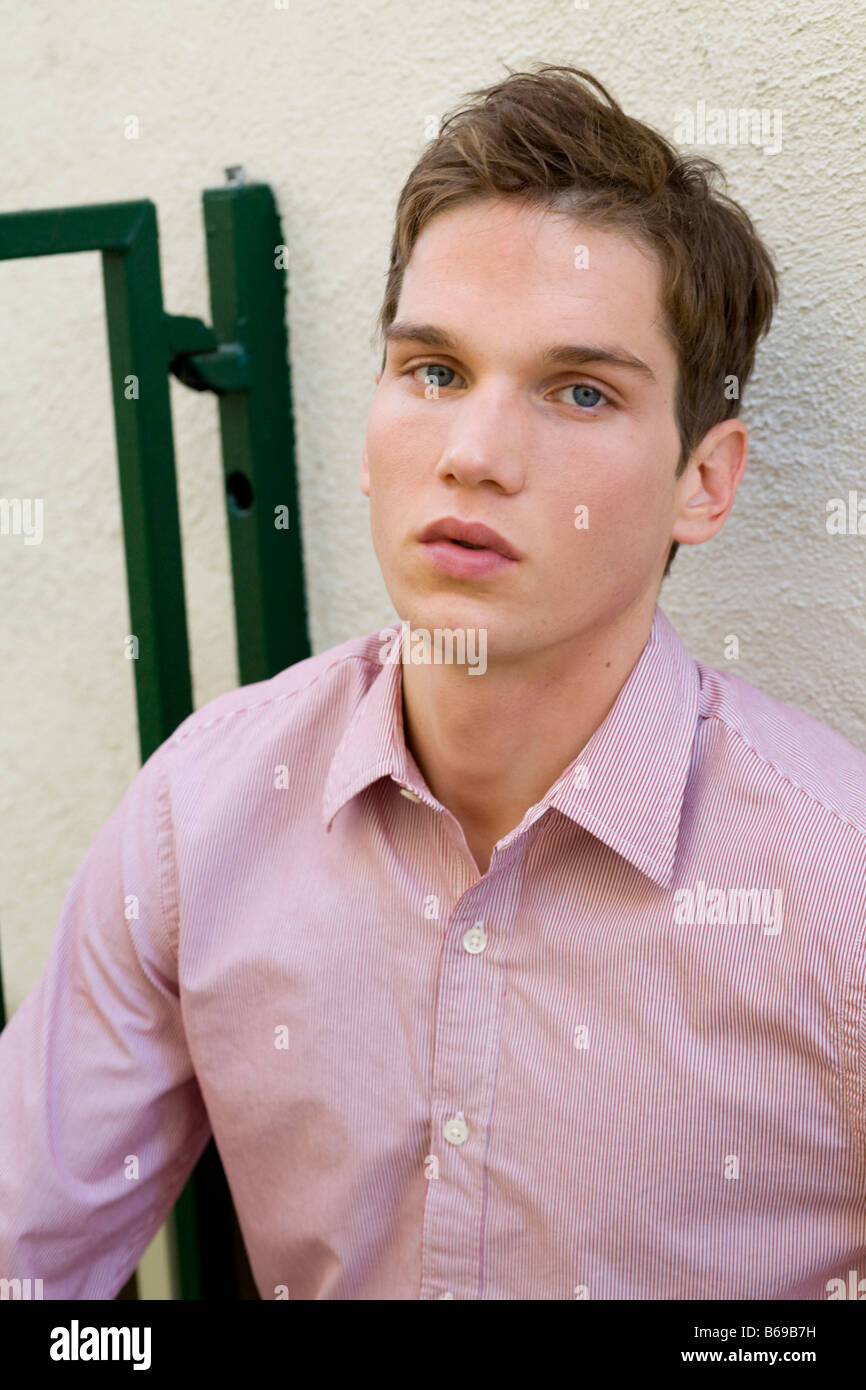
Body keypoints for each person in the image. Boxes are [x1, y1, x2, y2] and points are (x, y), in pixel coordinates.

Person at [1, 63, 864, 1302]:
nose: (473, 455)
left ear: (703, 481)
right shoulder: (205, 812)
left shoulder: (837, 893)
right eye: (433, 372)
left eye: (579, 391)